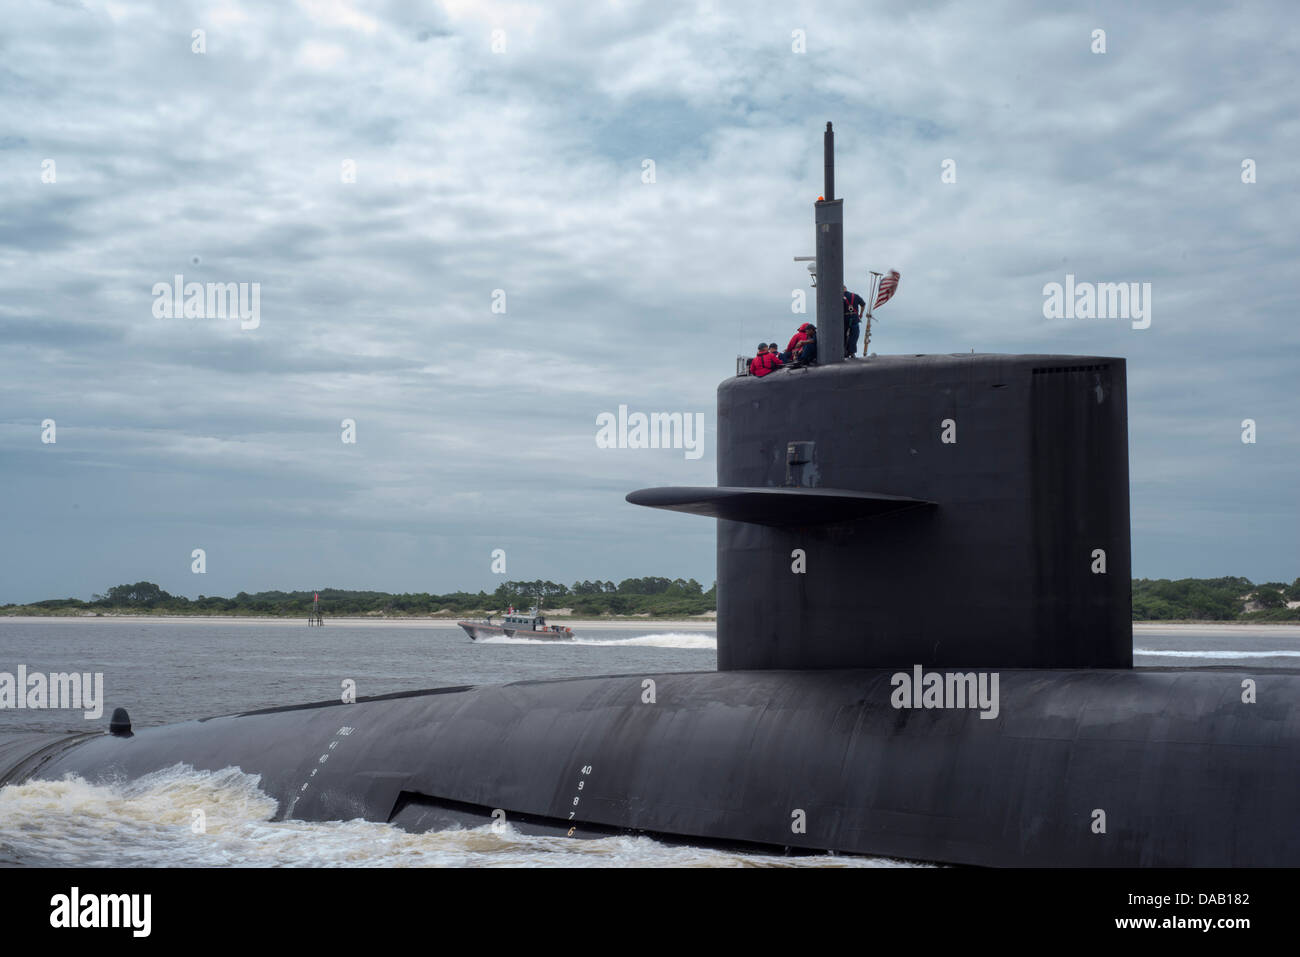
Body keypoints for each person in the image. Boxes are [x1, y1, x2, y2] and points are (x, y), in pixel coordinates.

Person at [842, 284, 866, 357]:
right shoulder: (855, 296)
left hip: (844, 318)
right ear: (846, 288)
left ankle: (844, 351)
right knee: (854, 335)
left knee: (843, 336)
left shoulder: (838, 297)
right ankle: (852, 352)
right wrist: (861, 314)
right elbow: (863, 304)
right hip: (854, 317)